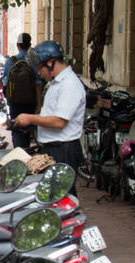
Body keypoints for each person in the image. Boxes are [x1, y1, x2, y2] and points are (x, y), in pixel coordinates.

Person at [11, 40, 84, 183]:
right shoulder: (56, 83)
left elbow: (59, 121)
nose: (39, 73)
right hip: (53, 148)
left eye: (40, 68)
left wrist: (31, 118)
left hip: (63, 150)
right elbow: (50, 115)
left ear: (51, 62)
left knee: (61, 196)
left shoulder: (69, 84)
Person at [4, 32, 42, 149]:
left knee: (16, 127)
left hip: (15, 103)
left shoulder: (11, 61)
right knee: (29, 126)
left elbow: (5, 83)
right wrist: (39, 103)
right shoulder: (33, 61)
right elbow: (38, 83)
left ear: (17, 45)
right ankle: (27, 149)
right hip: (30, 101)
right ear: (30, 45)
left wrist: (10, 99)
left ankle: (18, 152)